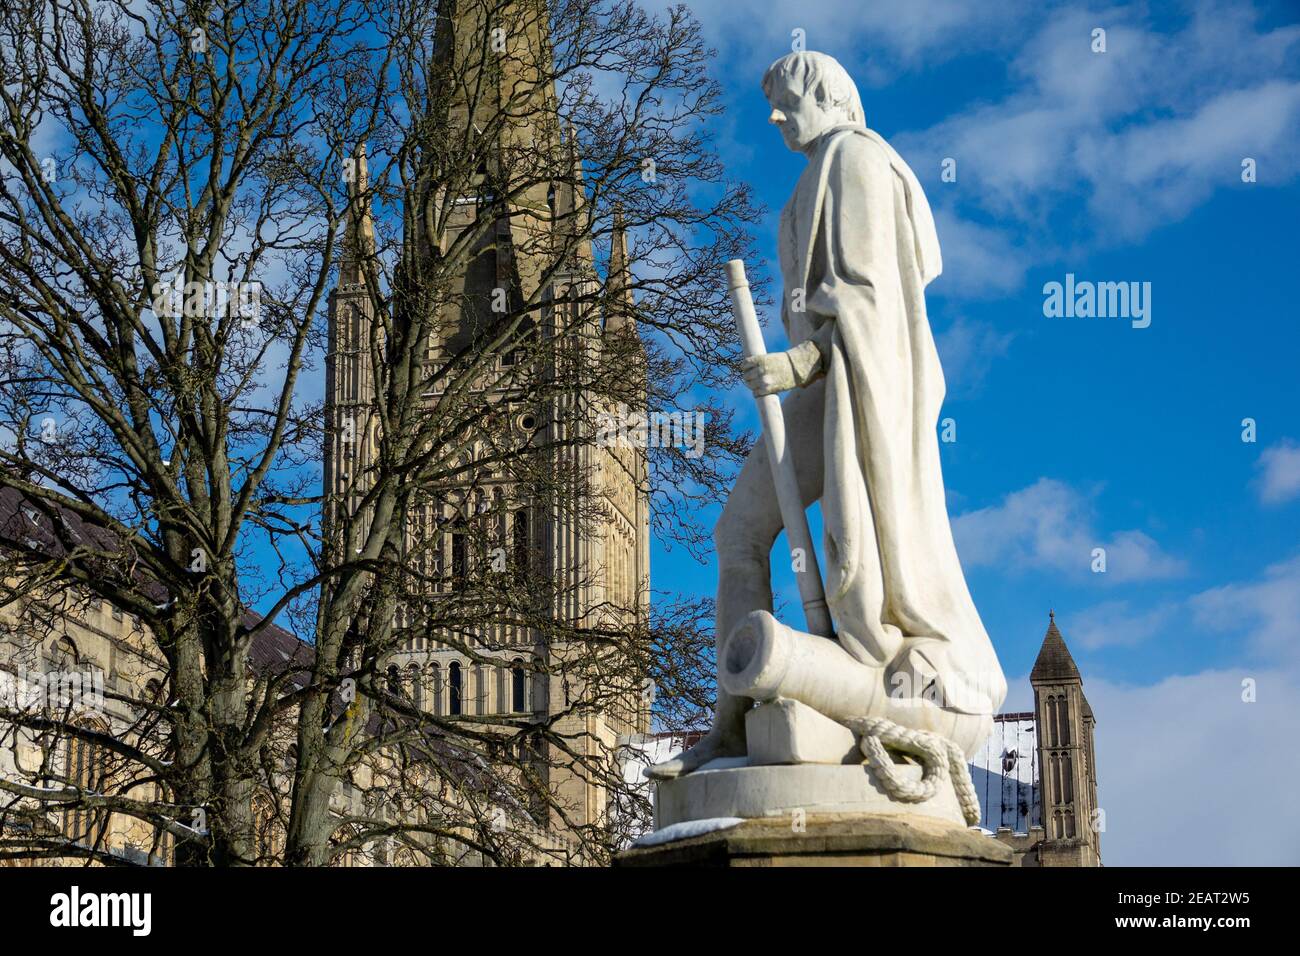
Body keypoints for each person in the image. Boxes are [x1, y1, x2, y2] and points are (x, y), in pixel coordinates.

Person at [649, 52, 1004, 781]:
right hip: (825, 386)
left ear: (826, 96)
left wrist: (793, 366)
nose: (775, 117)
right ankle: (733, 724)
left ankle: (844, 673)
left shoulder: (857, 164)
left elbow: (867, 304)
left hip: (851, 384)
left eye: (785, 101)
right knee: (738, 533)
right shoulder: (808, 186)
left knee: (841, 559)